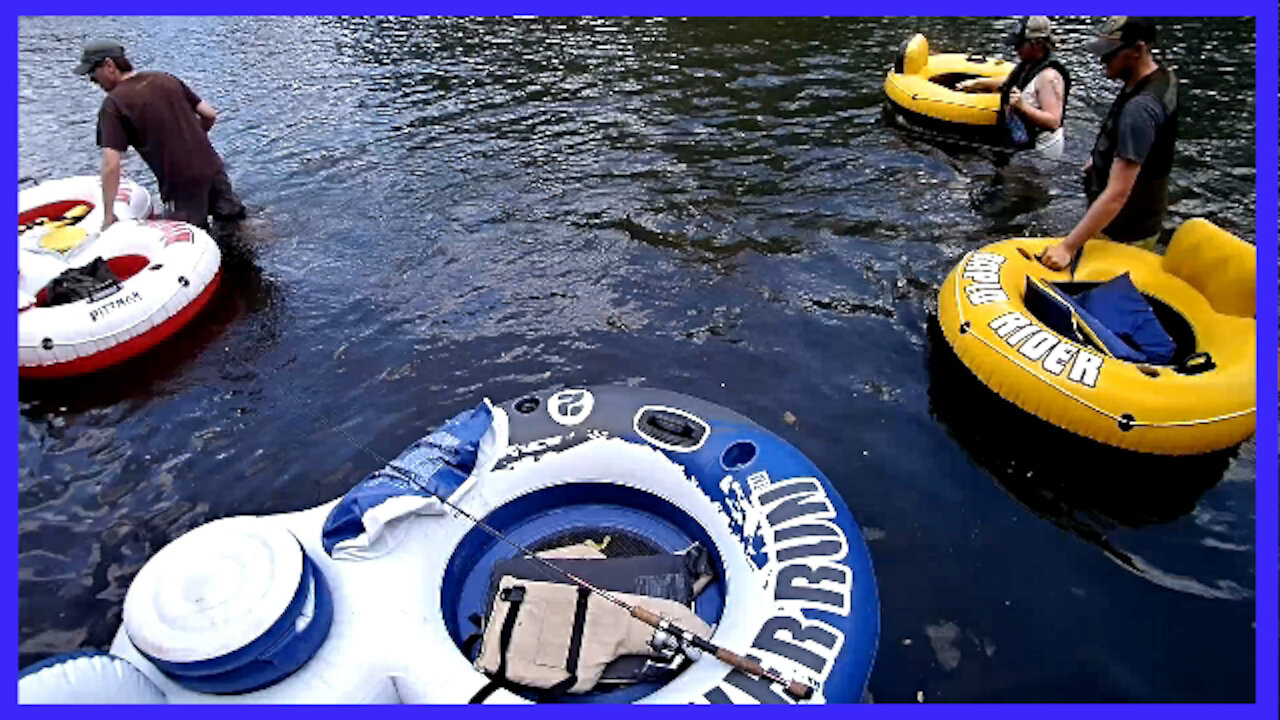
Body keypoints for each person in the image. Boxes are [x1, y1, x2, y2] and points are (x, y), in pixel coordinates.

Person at [1042, 17, 1178, 270]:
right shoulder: (1162, 77)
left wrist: (1067, 247)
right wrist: (1101, 160)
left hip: (1123, 232)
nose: (1102, 61)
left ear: (1137, 50)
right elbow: (1147, 144)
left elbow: (1117, 195)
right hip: (1144, 219)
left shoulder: (1140, 109)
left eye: (1110, 54)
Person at [74, 40, 244, 232]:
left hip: (180, 184)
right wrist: (192, 138)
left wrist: (108, 216)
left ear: (109, 66)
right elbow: (209, 114)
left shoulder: (114, 105)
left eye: (92, 73)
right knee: (233, 223)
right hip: (213, 167)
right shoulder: (165, 79)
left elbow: (111, 165)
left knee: (189, 237)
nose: (92, 80)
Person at [958, 16, 1069, 159]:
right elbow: (1011, 83)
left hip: (1039, 150)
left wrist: (1023, 107)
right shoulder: (1028, 64)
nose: (1015, 48)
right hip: (1020, 139)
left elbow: (1053, 122)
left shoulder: (1049, 77)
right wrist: (979, 83)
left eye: (1019, 44)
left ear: (1036, 44)